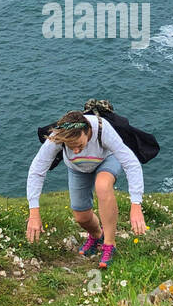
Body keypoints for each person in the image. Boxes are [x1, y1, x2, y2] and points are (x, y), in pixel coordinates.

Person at [25, 110, 147, 268]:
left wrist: (136, 204)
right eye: (71, 147)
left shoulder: (102, 129)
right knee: (82, 217)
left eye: (79, 145)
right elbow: (37, 169)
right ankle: (97, 235)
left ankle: (109, 244)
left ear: (87, 131)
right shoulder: (59, 136)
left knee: (102, 185)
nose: (75, 150)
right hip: (77, 168)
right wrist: (34, 213)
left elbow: (130, 162)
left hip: (106, 159)